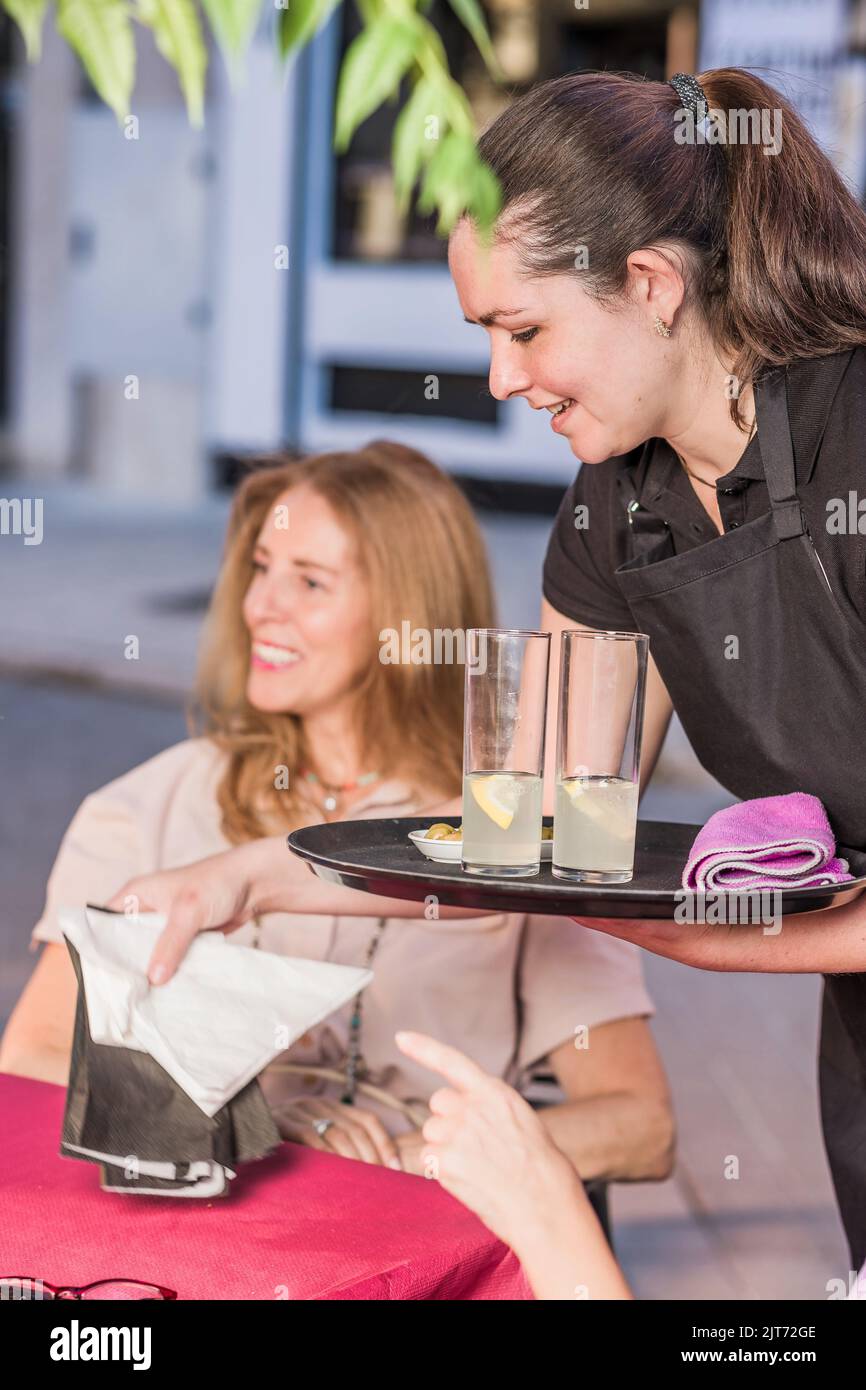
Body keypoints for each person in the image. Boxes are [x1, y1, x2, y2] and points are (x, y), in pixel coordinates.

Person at [84, 64, 866, 1275]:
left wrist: (726, 939)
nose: (501, 381)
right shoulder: (617, 504)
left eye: (523, 330)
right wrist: (244, 880)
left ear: (652, 285)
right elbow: (527, 840)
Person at [0, 442, 673, 1184]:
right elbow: (29, 1064)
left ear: (405, 614)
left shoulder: (510, 830)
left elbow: (639, 1125)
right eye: (261, 569)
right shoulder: (142, 809)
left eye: (310, 582)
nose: (260, 606)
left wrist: (403, 1165)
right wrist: (253, 1131)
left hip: (423, 1237)